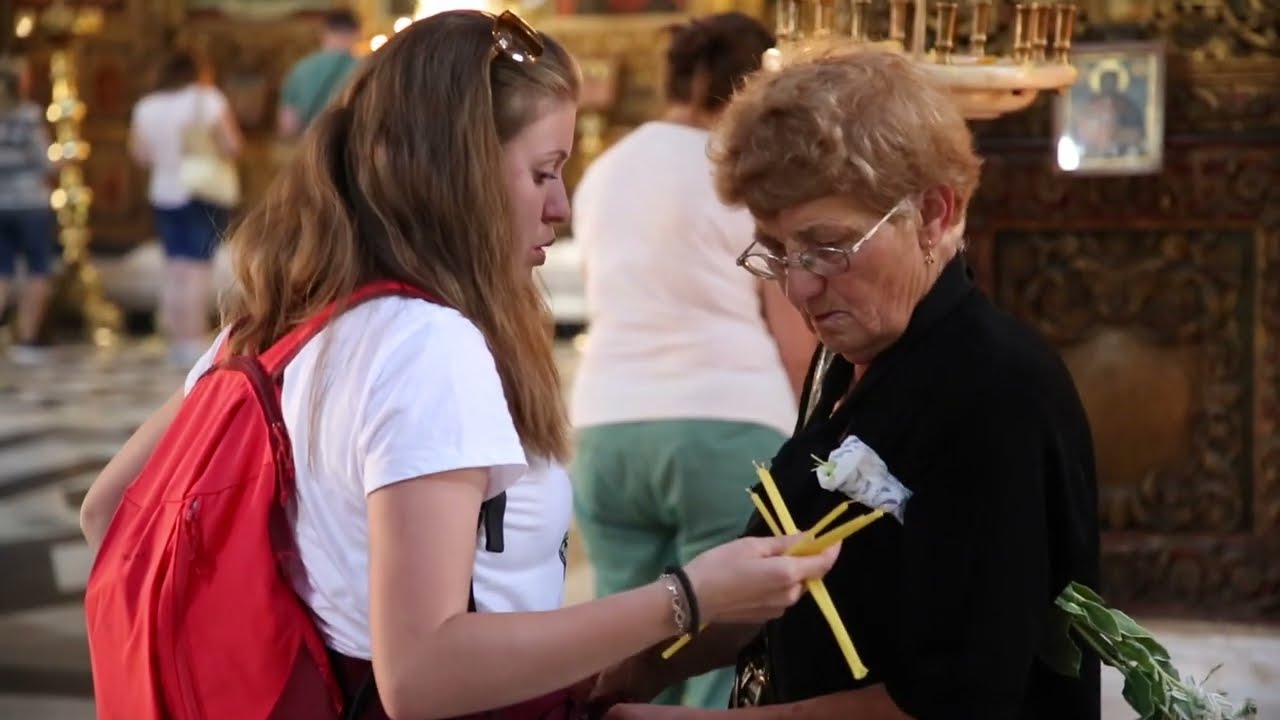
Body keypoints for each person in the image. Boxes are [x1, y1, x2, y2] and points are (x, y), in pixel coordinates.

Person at [79, 11, 838, 719]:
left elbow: (110, 511)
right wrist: (688, 597)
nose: (560, 205)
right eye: (542, 172)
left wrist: (298, 603)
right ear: (460, 173)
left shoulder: (275, 321)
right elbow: (422, 672)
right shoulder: (424, 345)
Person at [590, 47, 1101, 720]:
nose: (798, 287)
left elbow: (957, 699)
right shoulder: (852, 355)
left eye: (828, 248)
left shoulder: (995, 391)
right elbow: (779, 585)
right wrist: (638, 666)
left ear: (934, 213)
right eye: (778, 251)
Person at [569, 13, 814, 710]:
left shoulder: (604, 169)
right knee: (716, 642)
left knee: (623, 645)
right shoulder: (743, 173)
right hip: (726, 418)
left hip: (609, 425)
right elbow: (791, 330)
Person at [129, 49, 243, 368]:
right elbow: (231, 144)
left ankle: (176, 340)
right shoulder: (207, 99)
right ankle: (193, 341)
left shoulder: (146, 106)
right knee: (197, 268)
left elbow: (141, 155)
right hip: (200, 190)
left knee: (175, 268)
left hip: (163, 192)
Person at [0, 57, 56, 364]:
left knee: (2, 272)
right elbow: (44, 161)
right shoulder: (28, 116)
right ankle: (27, 341)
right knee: (37, 270)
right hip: (29, 203)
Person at [277, 8, 361, 140]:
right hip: (350, 144)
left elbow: (288, 125)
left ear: (324, 32)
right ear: (356, 33)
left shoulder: (300, 69)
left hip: (311, 144)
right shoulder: (365, 69)